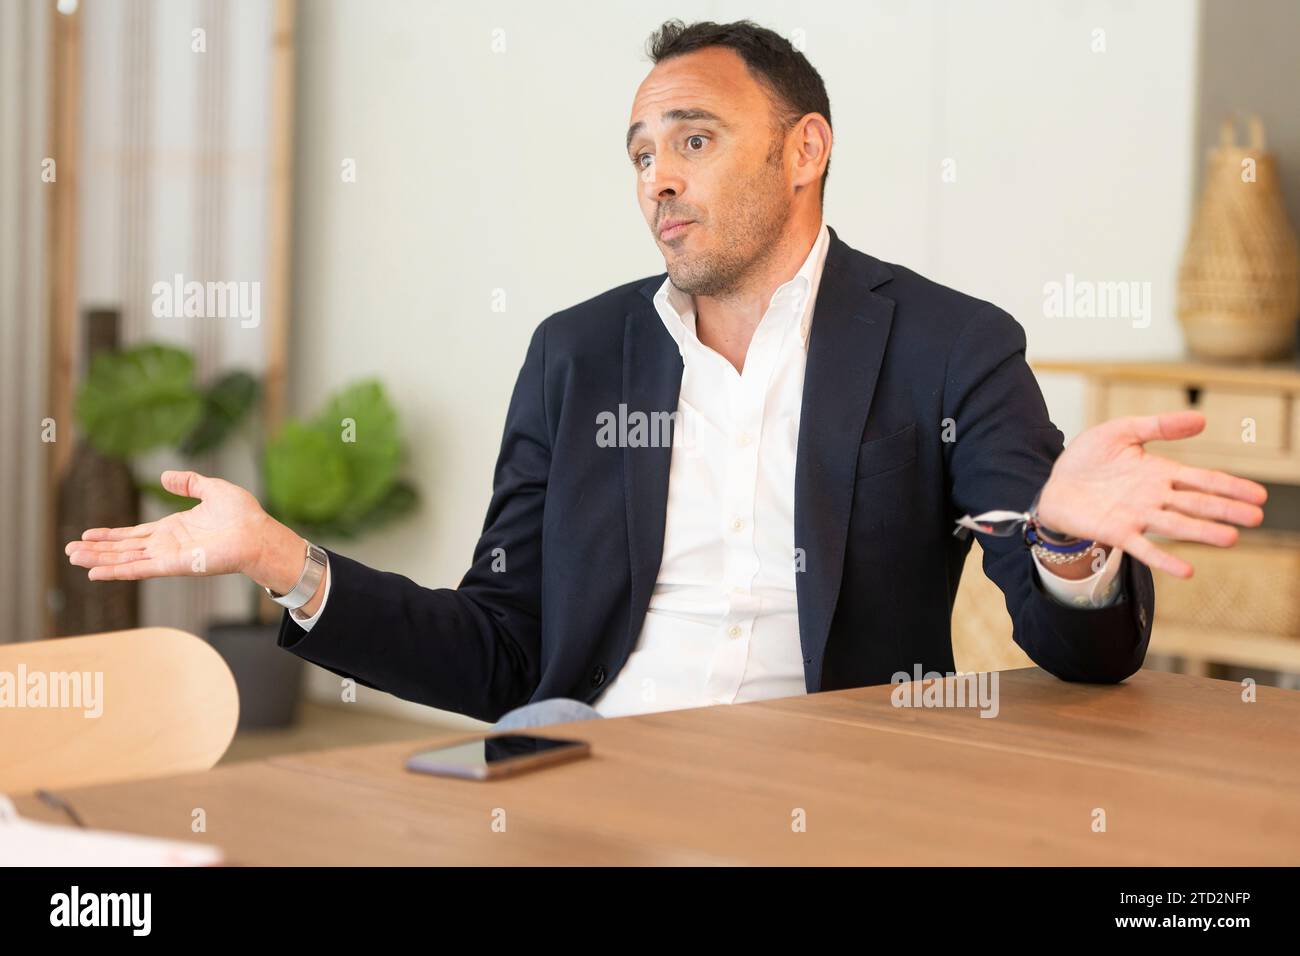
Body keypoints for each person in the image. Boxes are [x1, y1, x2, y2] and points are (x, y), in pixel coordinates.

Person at [66, 19, 1266, 731]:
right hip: (597, 766)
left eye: (694, 138)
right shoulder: (577, 353)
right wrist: (287, 560)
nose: (658, 177)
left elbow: (1088, 654)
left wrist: (1062, 544)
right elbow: (501, 648)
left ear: (807, 150)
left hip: (840, 791)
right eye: (641, 151)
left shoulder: (951, 342)